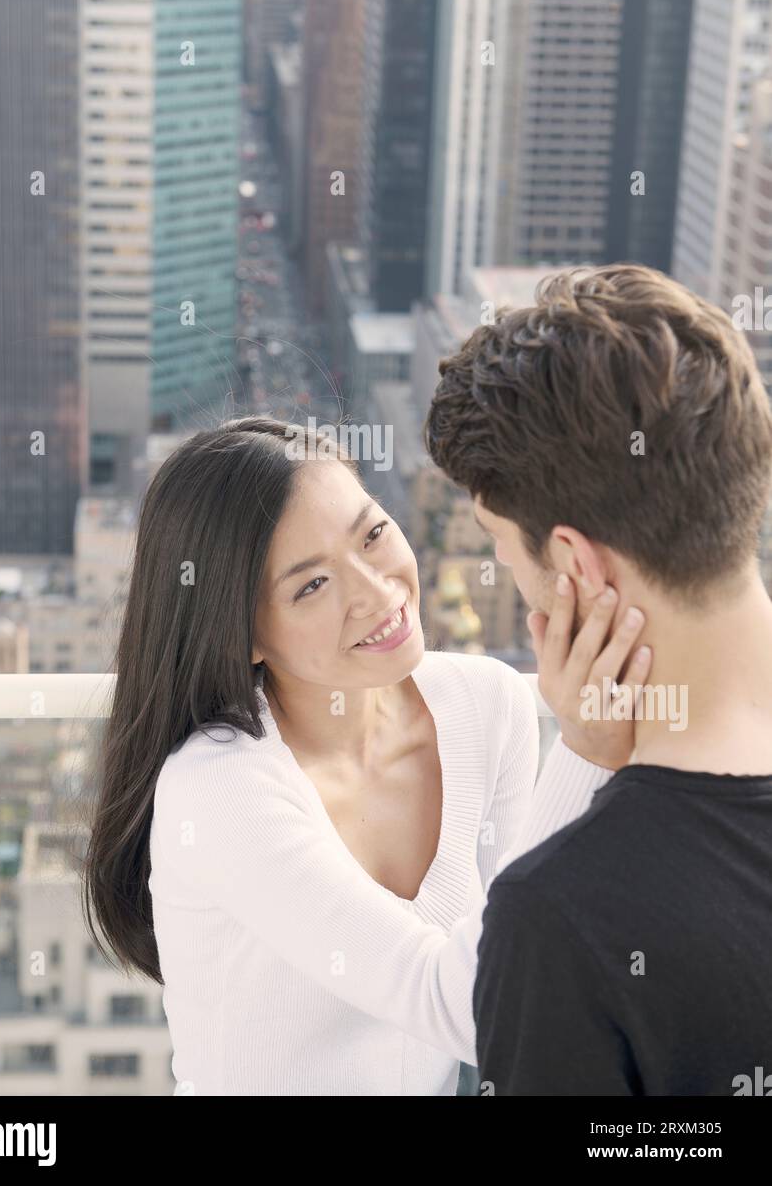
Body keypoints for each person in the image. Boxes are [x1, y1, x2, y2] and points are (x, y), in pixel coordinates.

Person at [81, 414, 649, 1096]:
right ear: (242, 636)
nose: (378, 593)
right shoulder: (218, 790)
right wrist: (585, 751)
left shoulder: (487, 704)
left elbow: (537, 958)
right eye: (311, 586)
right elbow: (478, 1007)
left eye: (373, 535)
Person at [425, 263, 772, 1096]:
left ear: (575, 564)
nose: (502, 568)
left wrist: (588, 763)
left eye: (499, 545)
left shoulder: (560, 917)